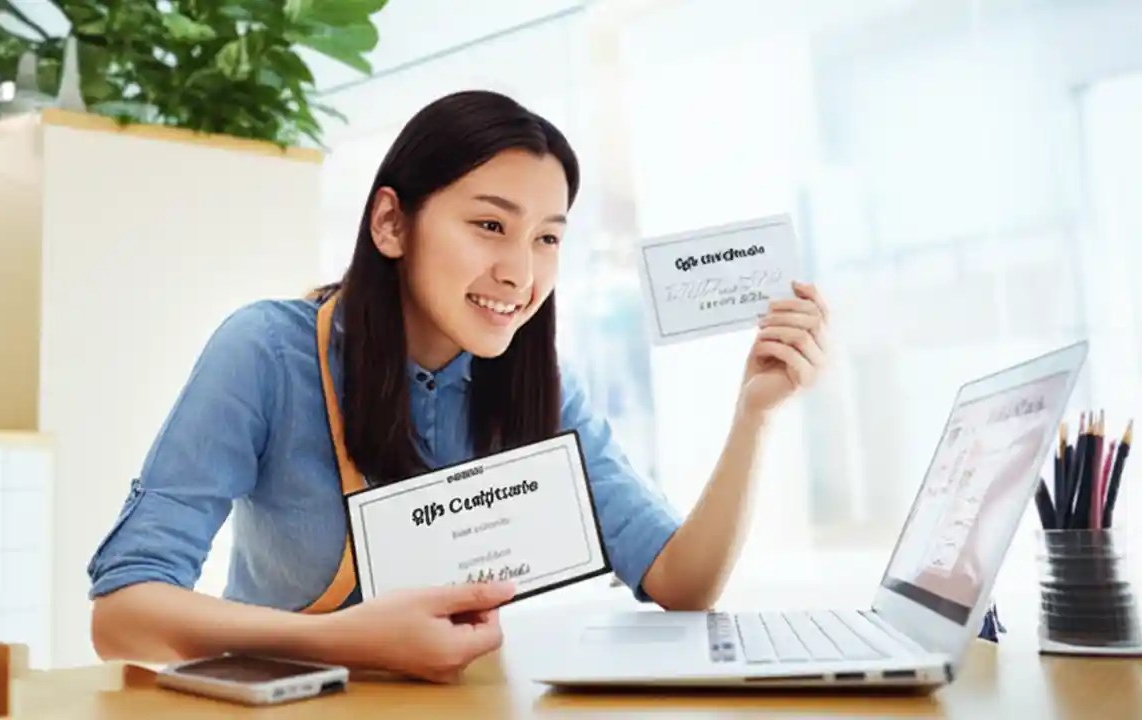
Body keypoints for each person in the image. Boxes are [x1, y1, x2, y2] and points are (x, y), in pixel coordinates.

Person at [87, 90, 830, 683]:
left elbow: (681, 584)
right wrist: (343, 641)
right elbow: (123, 615)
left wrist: (754, 416)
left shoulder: (538, 385)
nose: (521, 273)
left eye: (547, 238)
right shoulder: (266, 352)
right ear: (390, 223)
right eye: (489, 226)